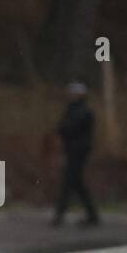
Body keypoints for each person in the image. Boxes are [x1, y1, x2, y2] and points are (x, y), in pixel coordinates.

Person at [53, 81, 99, 227]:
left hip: (78, 150)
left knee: (69, 182)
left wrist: (63, 129)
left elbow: (68, 128)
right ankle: (92, 215)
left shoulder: (84, 111)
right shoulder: (72, 109)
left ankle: (59, 215)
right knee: (77, 183)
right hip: (73, 149)